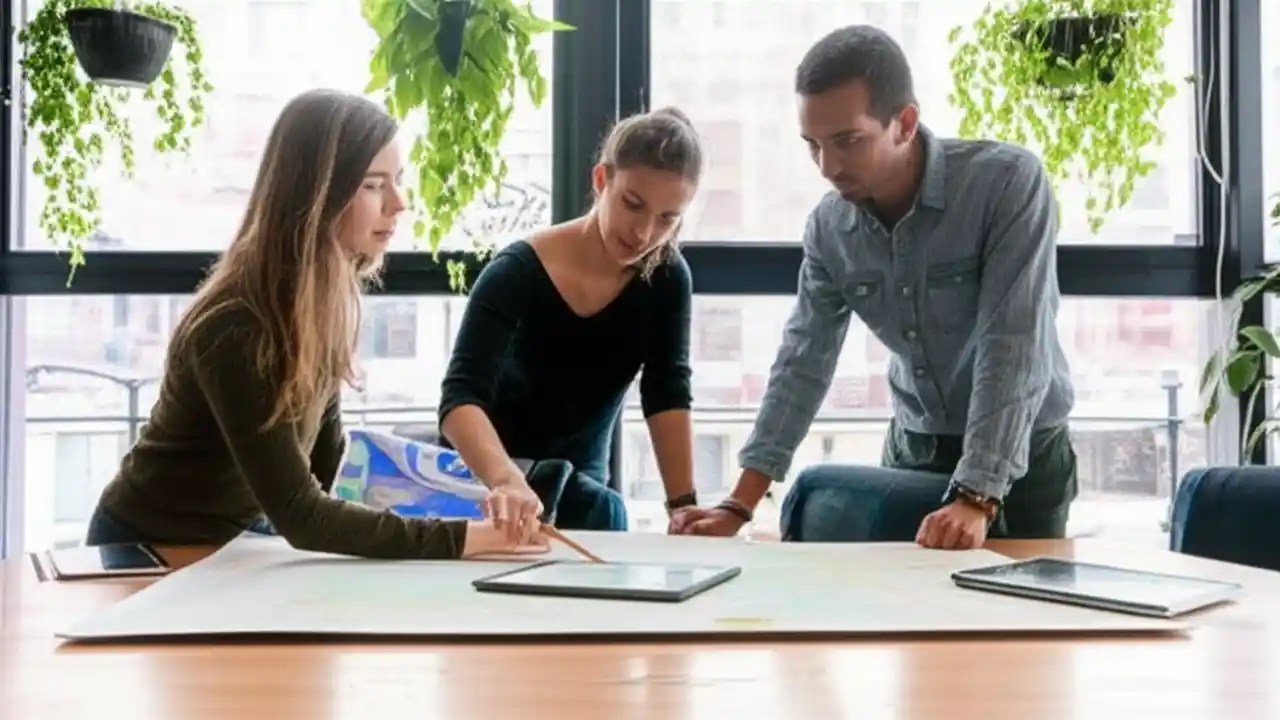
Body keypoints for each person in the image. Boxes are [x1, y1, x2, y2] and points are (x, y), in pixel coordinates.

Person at [85, 89, 547, 559]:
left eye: (397, 180)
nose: (399, 202)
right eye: (373, 184)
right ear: (317, 194)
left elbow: (323, 468)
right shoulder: (235, 326)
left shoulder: (319, 304)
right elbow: (302, 514)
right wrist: (466, 538)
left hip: (233, 545)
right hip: (144, 544)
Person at [670, 26, 1078, 550]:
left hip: (1021, 452)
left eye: (848, 141)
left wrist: (977, 495)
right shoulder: (828, 228)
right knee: (908, 621)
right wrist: (738, 504)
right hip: (913, 448)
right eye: (813, 146)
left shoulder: (1006, 183)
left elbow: (1014, 343)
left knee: (1021, 626)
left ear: (904, 123)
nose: (828, 167)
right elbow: (803, 363)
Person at [438, 107, 703, 540]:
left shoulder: (668, 276)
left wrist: (684, 509)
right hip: (486, 488)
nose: (643, 232)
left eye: (667, 219)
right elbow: (459, 399)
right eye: (632, 204)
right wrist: (507, 481)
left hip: (585, 501)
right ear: (602, 181)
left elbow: (667, 390)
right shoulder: (515, 271)